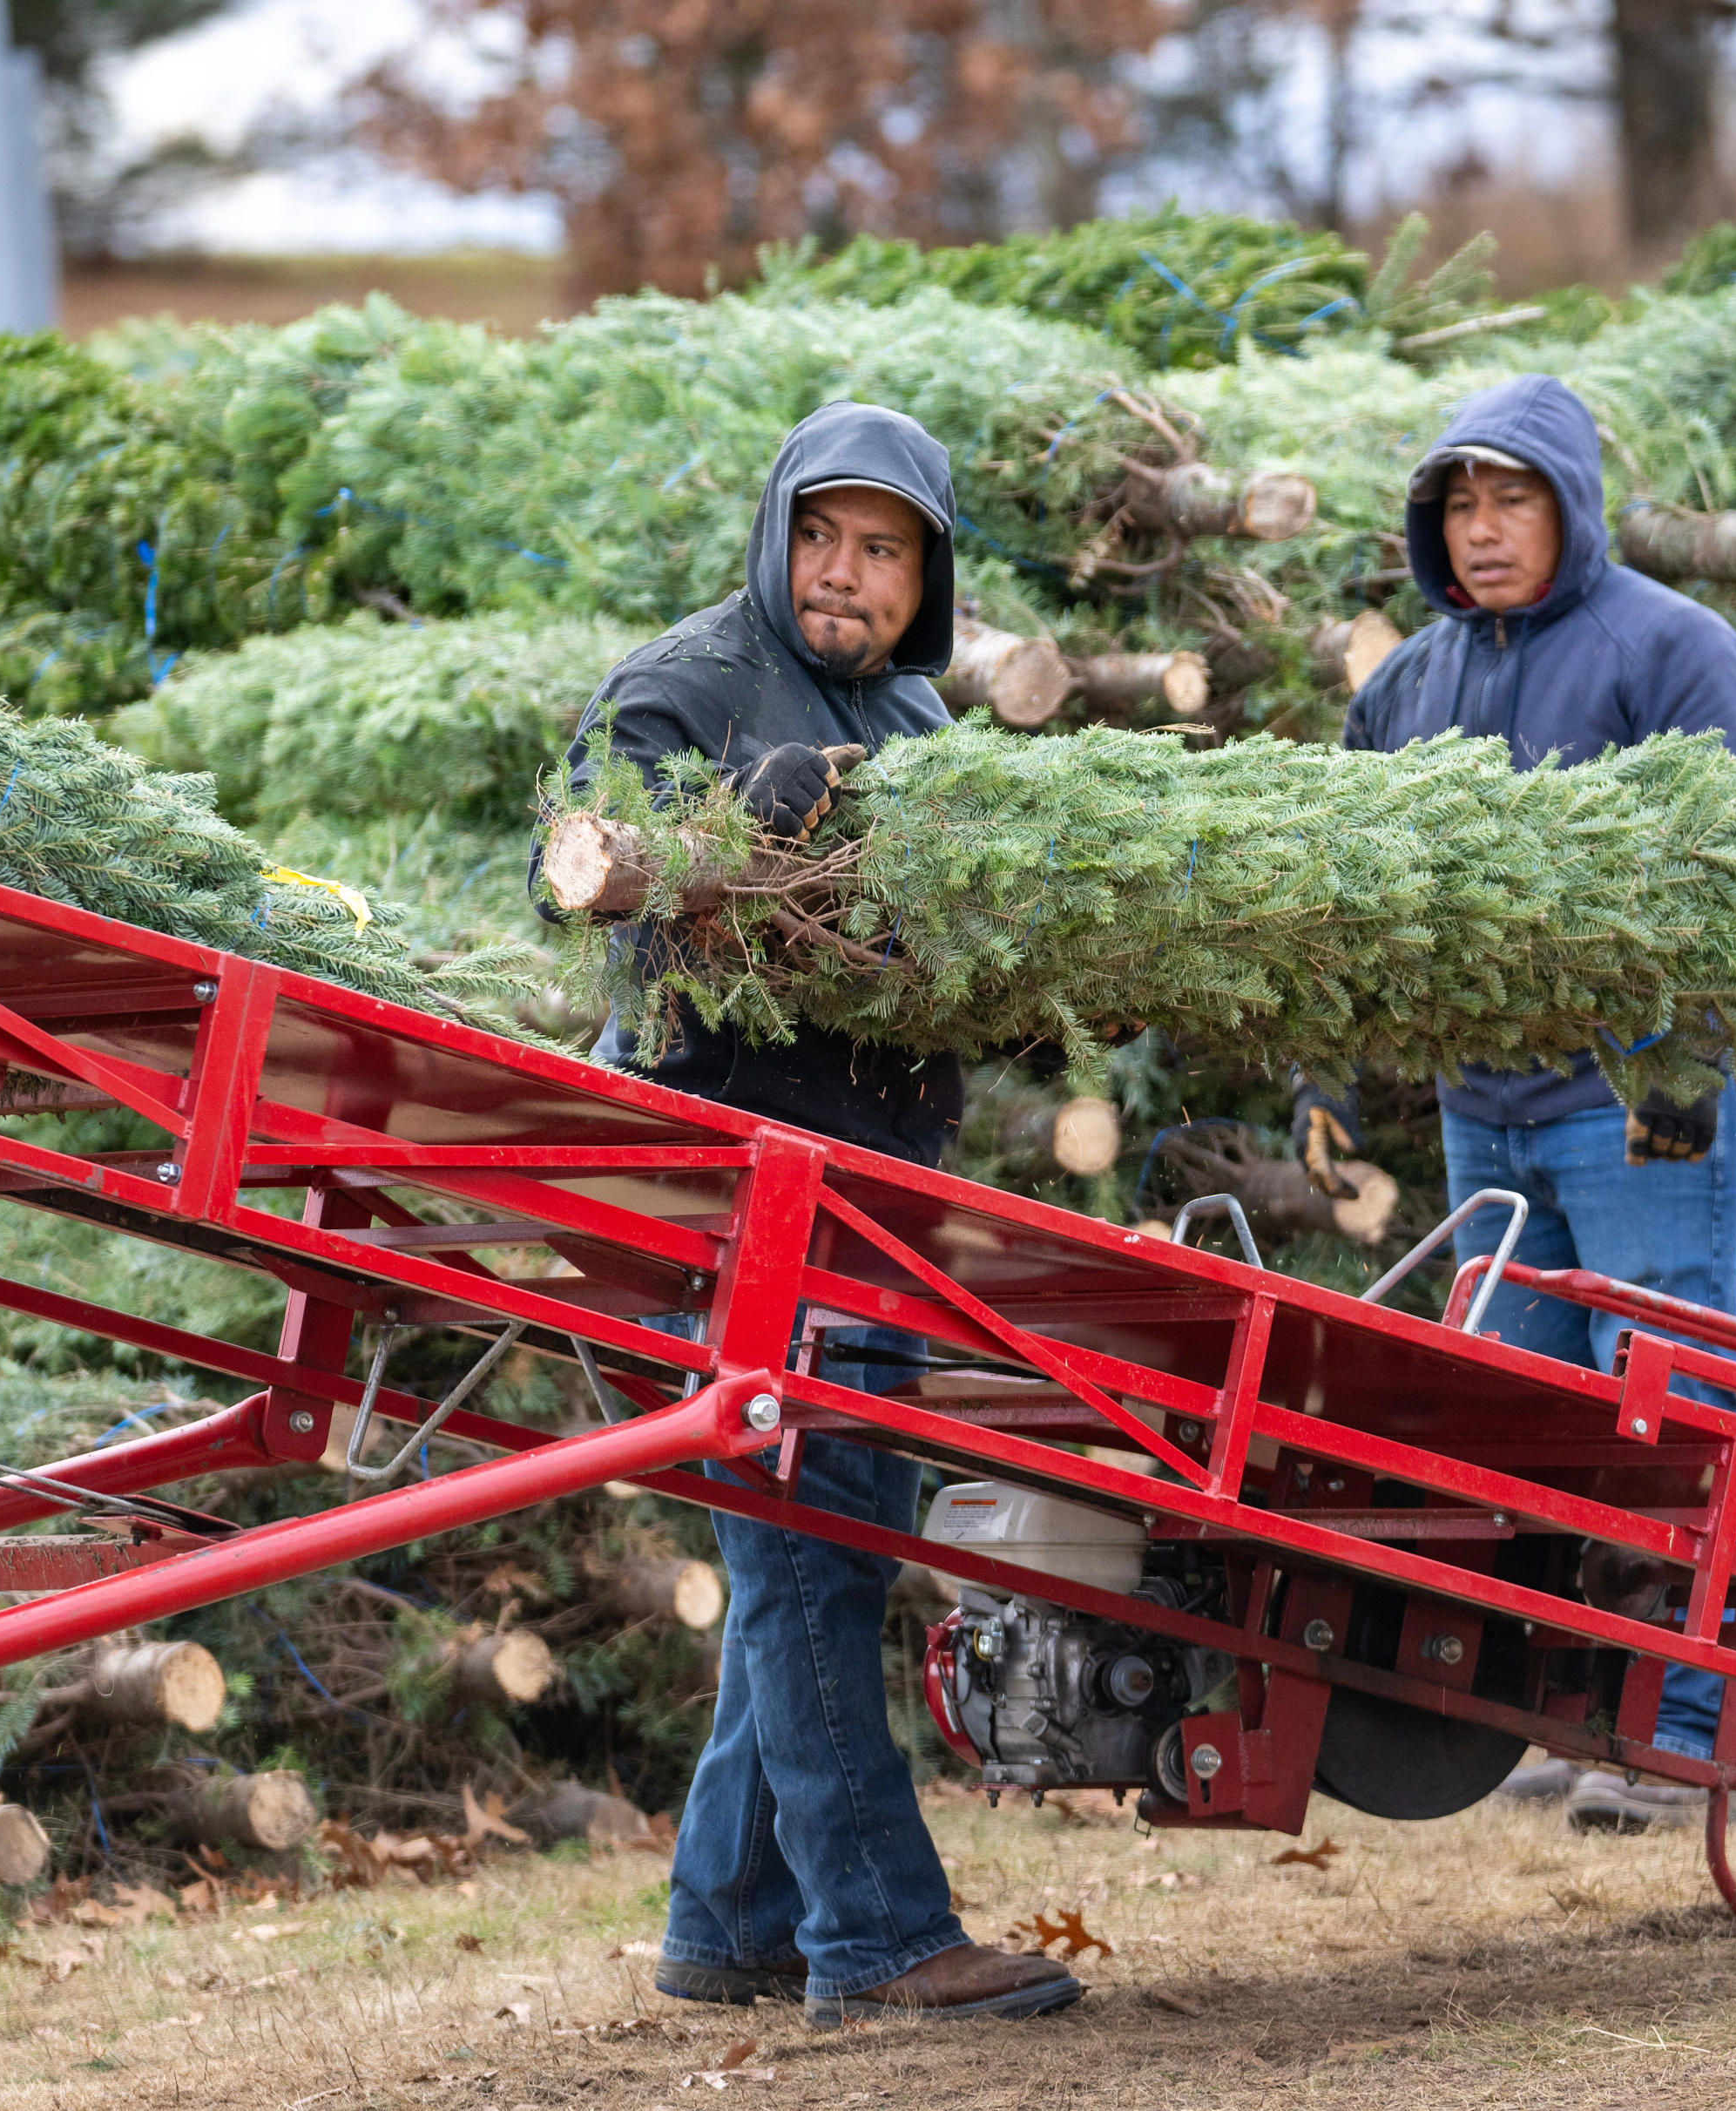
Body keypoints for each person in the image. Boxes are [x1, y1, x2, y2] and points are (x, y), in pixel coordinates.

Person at [570, 400, 1084, 2025]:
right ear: (778, 531)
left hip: (862, 1195)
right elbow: (582, 866)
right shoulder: (688, 684)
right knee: (803, 1545)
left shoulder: (922, 719)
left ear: (926, 575)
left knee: (815, 1536)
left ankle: (726, 1927)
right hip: (725, 1191)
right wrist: (742, 820)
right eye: (822, 537)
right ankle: (876, 1934)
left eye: (881, 550)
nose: (844, 575)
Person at [1341, 373, 1736, 1790]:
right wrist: (1349, 1073)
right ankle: (1555, 1710)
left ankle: (1683, 1727)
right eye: (1458, 504)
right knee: (1519, 1402)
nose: (1481, 530)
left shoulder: (1676, 648)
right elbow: (1344, 898)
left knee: (1668, 1390)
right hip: (1487, 1112)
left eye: (1510, 497)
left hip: (1640, 1100)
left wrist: (1680, 1075)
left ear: (1572, 505)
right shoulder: (1407, 685)